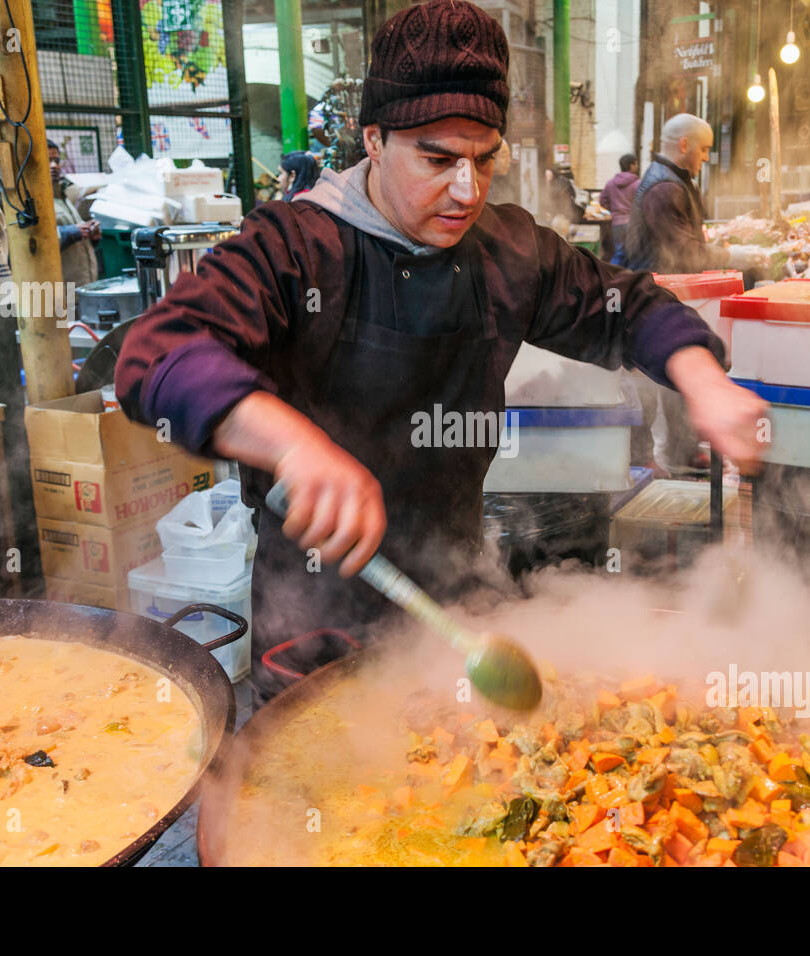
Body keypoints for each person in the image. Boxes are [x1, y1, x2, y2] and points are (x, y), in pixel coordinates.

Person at [115, 0, 767, 706]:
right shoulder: (297, 248)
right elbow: (159, 353)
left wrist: (703, 381)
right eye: (438, 159)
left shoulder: (509, 251)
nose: (467, 190)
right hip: (312, 624)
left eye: (486, 160)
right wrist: (293, 447)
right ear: (373, 139)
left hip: (456, 608)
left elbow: (633, 306)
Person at [624, 113, 731, 274]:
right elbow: (684, 253)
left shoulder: (672, 180)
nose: (707, 158)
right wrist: (731, 256)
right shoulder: (664, 189)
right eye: (704, 149)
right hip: (658, 291)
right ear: (684, 145)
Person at [46, 141, 100, 294]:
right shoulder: (34, 201)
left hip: (83, 286)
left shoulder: (62, 196)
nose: (54, 166)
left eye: (56, 161)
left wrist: (90, 235)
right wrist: (71, 232)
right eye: (47, 160)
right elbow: (37, 242)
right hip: (61, 293)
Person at [600, 153, 639, 266]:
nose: (637, 167)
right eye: (636, 164)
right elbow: (643, 203)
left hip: (616, 223)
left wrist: (613, 209)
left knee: (618, 252)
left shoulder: (610, 183)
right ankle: (632, 280)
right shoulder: (638, 184)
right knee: (633, 255)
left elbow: (602, 201)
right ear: (631, 166)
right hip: (633, 224)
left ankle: (613, 277)